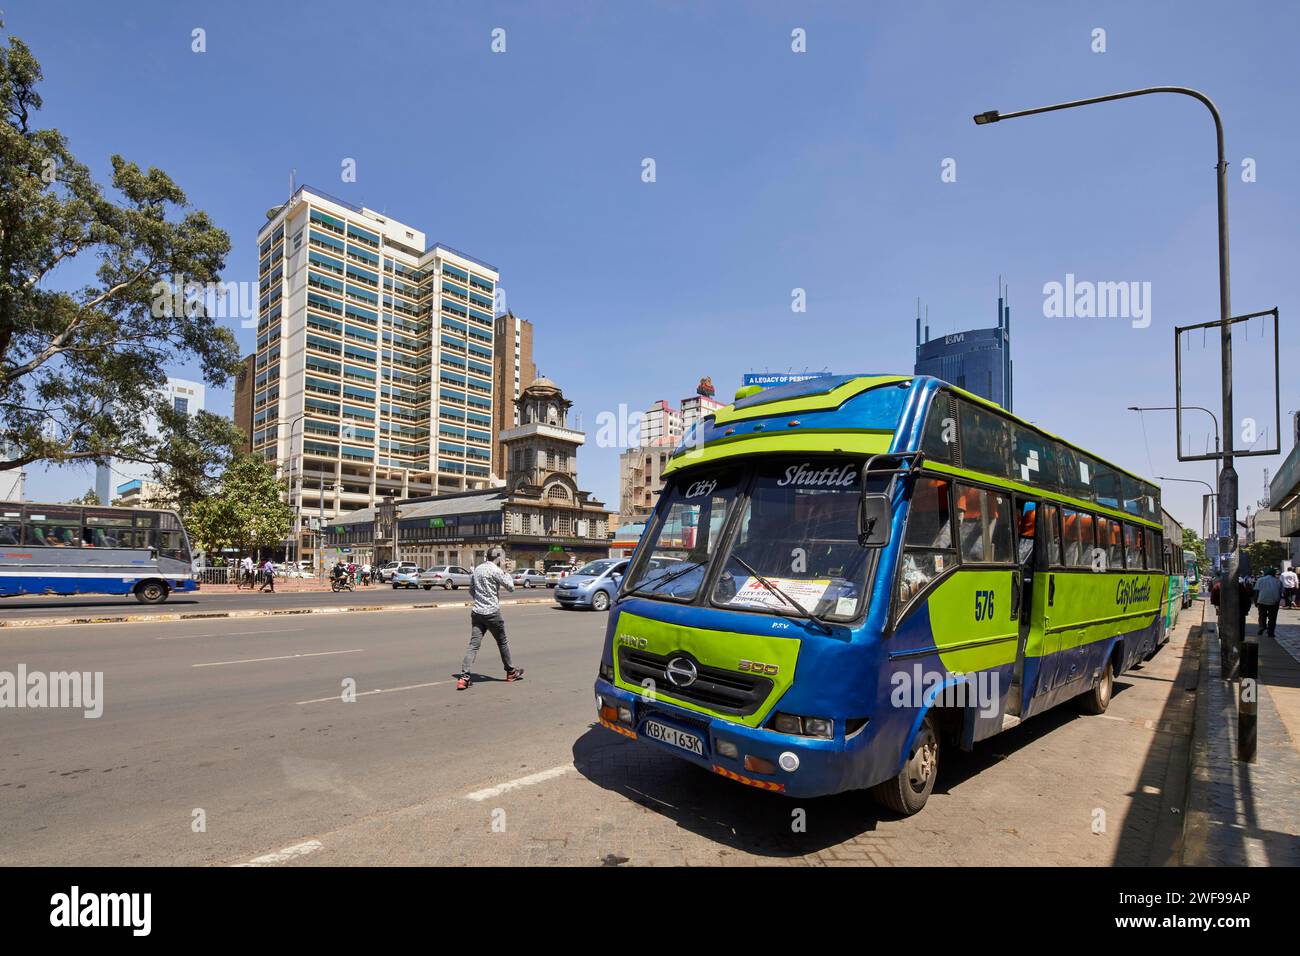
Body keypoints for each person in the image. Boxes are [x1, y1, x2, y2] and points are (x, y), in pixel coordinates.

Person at [457, 546, 524, 690]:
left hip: (477, 613)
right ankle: (511, 672)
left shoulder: (478, 569)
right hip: (492, 613)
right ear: (499, 559)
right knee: (502, 642)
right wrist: (505, 570)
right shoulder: (496, 570)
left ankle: (464, 678)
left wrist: (480, 600)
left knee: (473, 645)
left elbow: (471, 590)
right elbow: (511, 587)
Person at [1254, 567, 1282, 638]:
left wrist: (1256, 601)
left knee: (1262, 615)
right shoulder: (1278, 581)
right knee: (1272, 617)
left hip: (1262, 601)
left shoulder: (1260, 580)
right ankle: (1271, 632)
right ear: (1274, 574)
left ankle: (1262, 626)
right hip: (1274, 602)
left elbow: (1256, 591)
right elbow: (1281, 592)